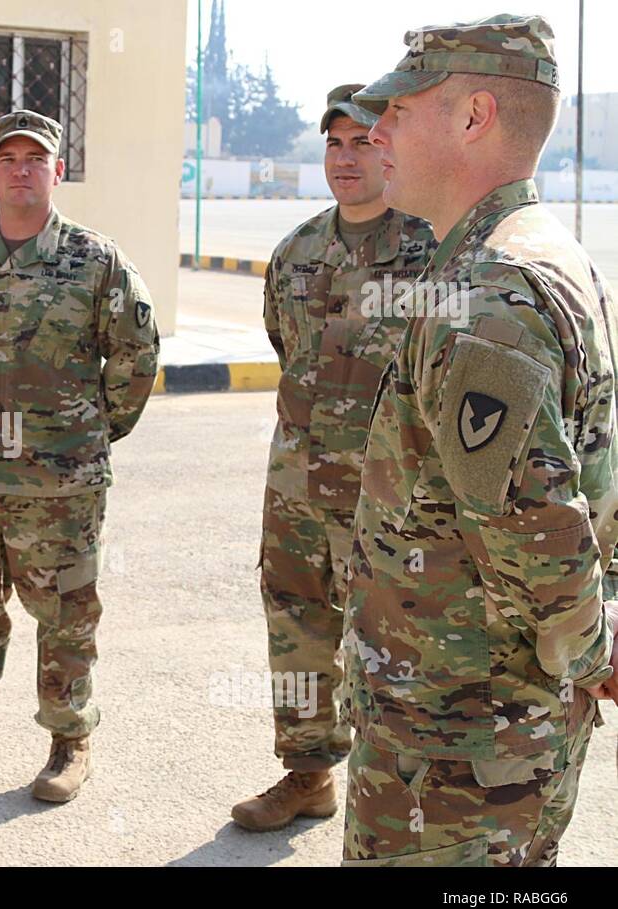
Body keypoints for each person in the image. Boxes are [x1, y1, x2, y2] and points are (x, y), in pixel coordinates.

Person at [344, 13, 618, 865]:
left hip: (456, 749)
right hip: (491, 731)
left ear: (473, 117)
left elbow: (535, 531)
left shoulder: (489, 291)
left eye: (399, 108)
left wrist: (593, 649)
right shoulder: (538, 251)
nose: (376, 129)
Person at [0, 109, 159, 802]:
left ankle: (69, 741)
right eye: (7, 158)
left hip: (61, 480)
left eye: (34, 158)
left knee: (66, 611)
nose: (21, 169)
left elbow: (136, 357)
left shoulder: (95, 261)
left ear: (56, 171)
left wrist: (89, 434)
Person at [231, 85, 435, 832]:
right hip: (295, 484)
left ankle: (403, 800)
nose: (346, 159)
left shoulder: (430, 253)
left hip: (390, 494)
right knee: (295, 627)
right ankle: (307, 773)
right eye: (334, 144)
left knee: (393, 640)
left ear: (390, 150)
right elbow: (287, 349)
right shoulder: (296, 252)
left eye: (363, 142)